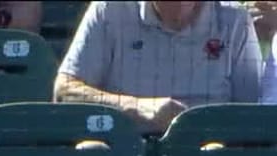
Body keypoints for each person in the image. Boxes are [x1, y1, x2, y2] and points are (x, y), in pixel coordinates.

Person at [54, 0, 263, 133]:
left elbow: (250, 114)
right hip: (128, 146)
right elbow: (64, 91)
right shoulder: (109, 10)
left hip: (207, 151)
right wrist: (136, 107)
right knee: (91, 151)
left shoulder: (235, 21)